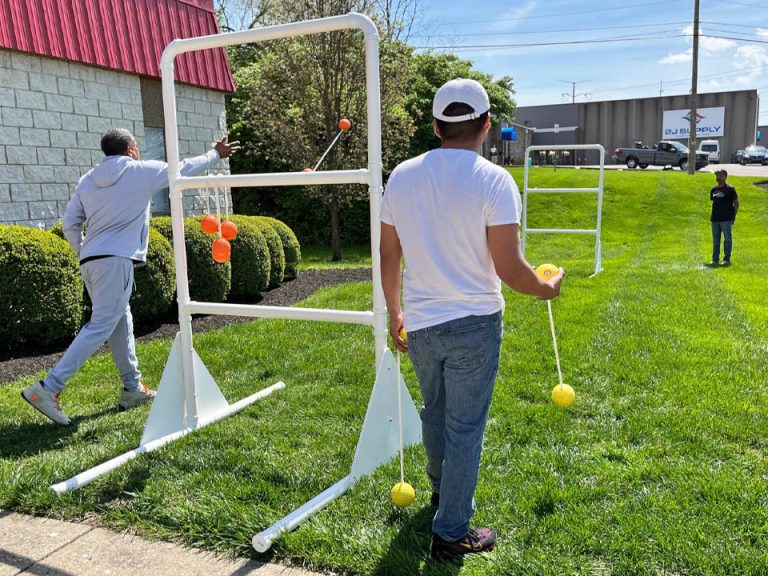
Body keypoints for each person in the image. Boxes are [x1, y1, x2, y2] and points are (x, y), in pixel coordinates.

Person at [379, 78, 564, 561]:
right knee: (464, 426)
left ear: (437, 125)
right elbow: (510, 269)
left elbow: (388, 254)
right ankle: (452, 531)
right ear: (486, 125)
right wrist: (547, 287)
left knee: (435, 413)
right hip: (474, 325)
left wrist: (394, 310)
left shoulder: (401, 176)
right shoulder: (494, 180)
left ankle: (444, 496)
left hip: (419, 323)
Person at [21, 129, 240, 425]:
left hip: (92, 261)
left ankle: (132, 388)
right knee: (100, 325)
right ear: (131, 149)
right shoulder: (139, 171)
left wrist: (84, 250)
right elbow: (182, 169)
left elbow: (70, 222)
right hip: (115, 261)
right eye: (137, 146)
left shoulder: (88, 180)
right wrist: (216, 154)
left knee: (120, 321)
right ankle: (47, 388)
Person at [709, 169, 739, 266]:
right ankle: (715, 259)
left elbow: (736, 203)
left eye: (721, 176)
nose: (718, 178)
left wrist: (733, 216)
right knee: (716, 240)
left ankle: (726, 259)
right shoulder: (713, 189)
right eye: (717, 176)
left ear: (725, 177)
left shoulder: (730, 189)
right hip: (715, 219)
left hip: (726, 219)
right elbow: (714, 202)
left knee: (727, 239)